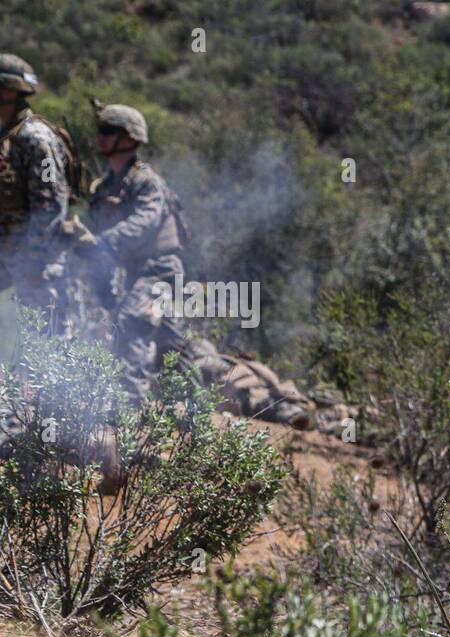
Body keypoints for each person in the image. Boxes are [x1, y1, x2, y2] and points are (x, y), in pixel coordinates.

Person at [72, 101, 310, 427]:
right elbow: (97, 240)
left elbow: (144, 221)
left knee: (132, 323)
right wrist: (101, 279)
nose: (100, 137)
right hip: (131, 274)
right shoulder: (104, 188)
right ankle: (236, 407)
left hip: (159, 271)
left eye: (108, 131)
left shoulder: (145, 181)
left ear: (129, 137)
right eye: (101, 130)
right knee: (177, 354)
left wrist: (106, 242)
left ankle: (126, 416)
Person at [0, 54, 76, 317]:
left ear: (8, 91)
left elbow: (50, 206)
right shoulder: (8, 136)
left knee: (48, 340)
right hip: (12, 252)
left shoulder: (35, 138)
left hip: (38, 258)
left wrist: (34, 258)